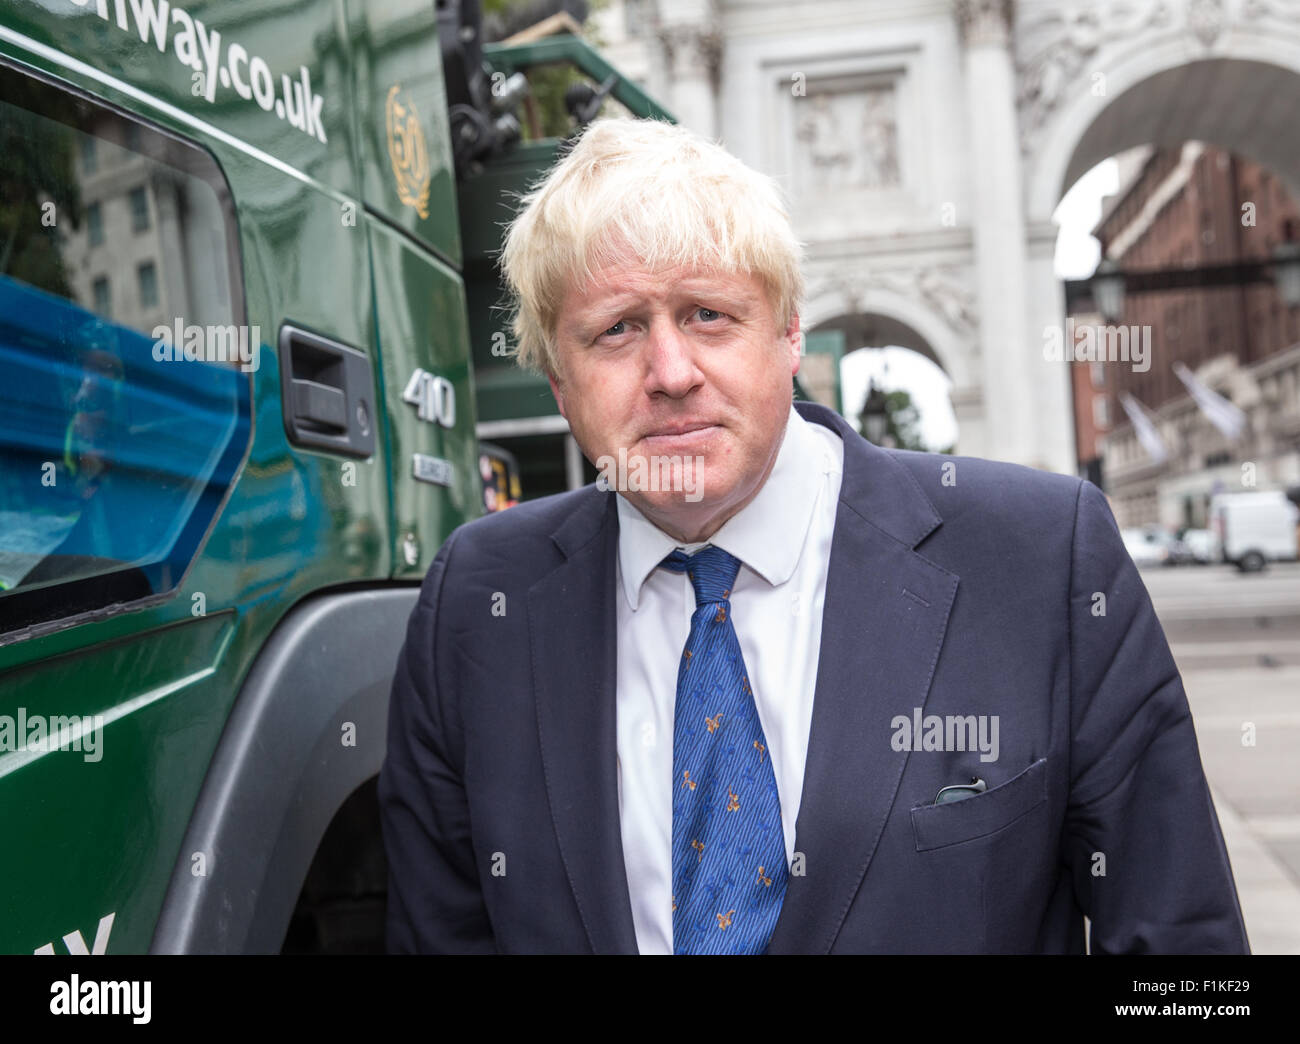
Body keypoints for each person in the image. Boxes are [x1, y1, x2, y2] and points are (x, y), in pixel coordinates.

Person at [377, 117, 1249, 954]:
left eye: (710, 315)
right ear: (560, 384)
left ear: (790, 332)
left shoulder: (1039, 559)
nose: (672, 373)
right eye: (617, 330)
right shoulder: (474, 605)